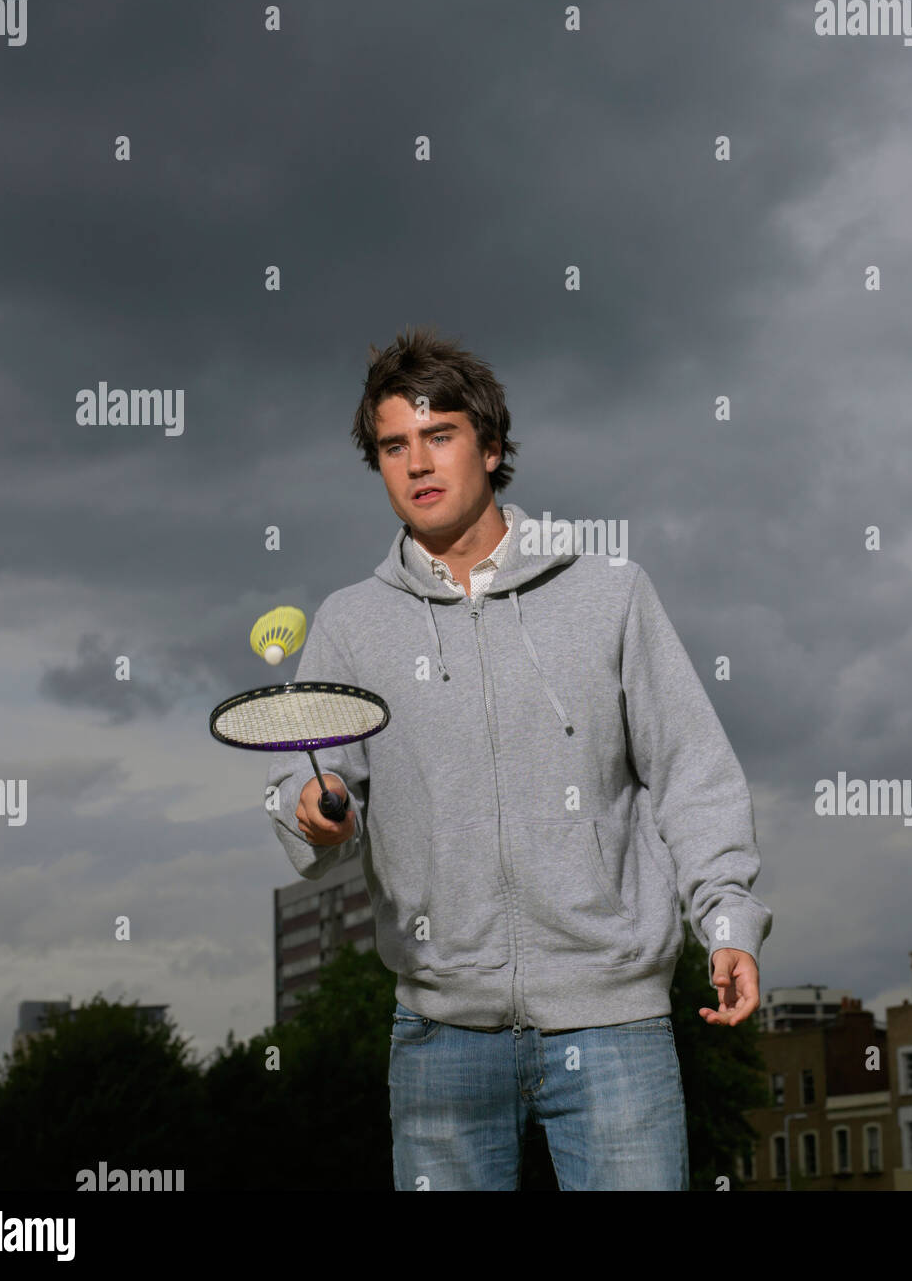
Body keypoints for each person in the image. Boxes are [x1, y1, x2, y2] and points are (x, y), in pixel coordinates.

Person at [268, 325, 772, 1190]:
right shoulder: (350, 623)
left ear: (492, 448)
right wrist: (311, 814)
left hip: (613, 1024)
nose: (417, 464)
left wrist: (726, 921)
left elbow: (692, 770)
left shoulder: (609, 591)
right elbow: (316, 795)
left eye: (440, 436)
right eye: (394, 446)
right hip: (439, 1035)